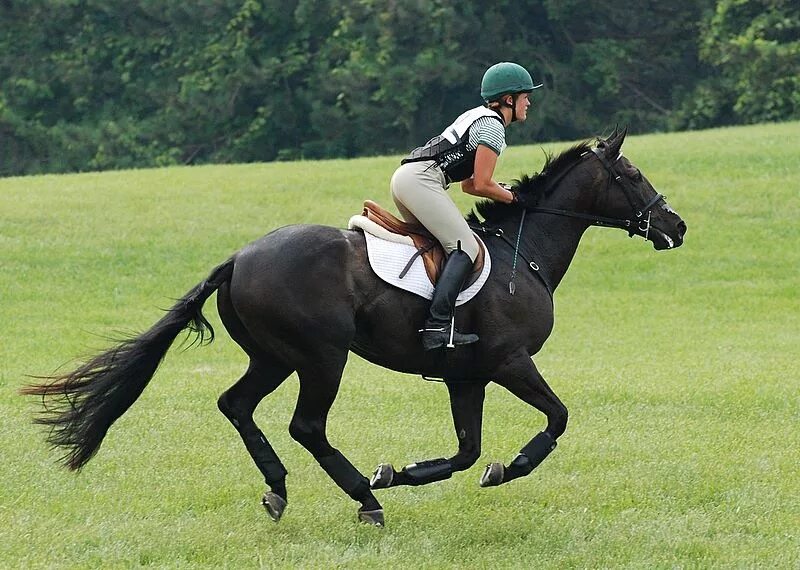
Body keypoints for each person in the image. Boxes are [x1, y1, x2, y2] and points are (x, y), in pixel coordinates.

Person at [391, 61, 542, 351]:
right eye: (525, 96)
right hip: (422, 181)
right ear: (509, 99)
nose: (529, 102)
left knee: (439, 248)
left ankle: (414, 314)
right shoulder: (494, 128)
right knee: (466, 247)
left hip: (408, 179)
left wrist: (509, 193)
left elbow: (469, 185)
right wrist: (517, 198)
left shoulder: (480, 117)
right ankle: (436, 326)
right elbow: (483, 185)